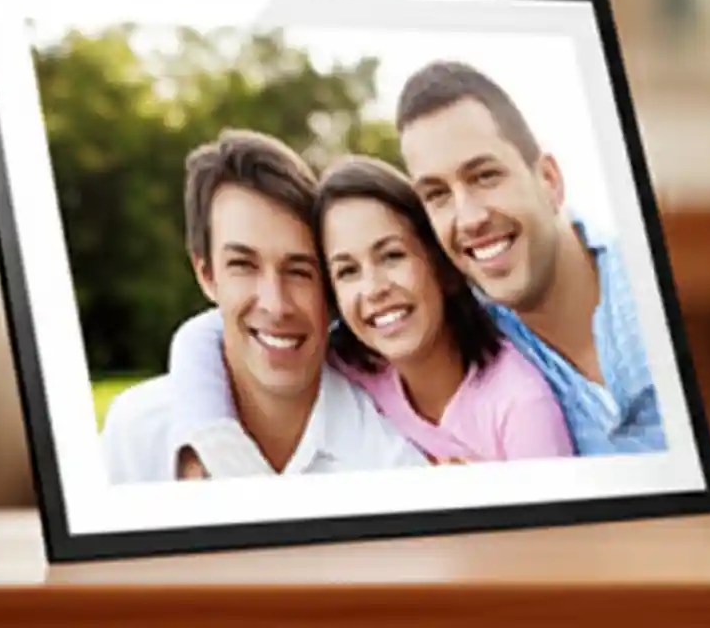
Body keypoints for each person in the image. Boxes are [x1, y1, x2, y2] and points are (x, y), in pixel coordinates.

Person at [168, 156, 574, 465]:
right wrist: (203, 448)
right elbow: (216, 332)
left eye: (392, 256)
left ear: (443, 266)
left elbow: (562, 544)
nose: (374, 289)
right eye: (347, 271)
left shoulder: (520, 406)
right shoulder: (355, 361)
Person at [99, 129, 427, 483]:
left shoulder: (393, 452)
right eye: (243, 265)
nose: (276, 305)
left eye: (299, 271)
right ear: (207, 275)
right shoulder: (135, 434)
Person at [394, 61, 666, 454]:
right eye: (437, 194)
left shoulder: (654, 285)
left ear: (549, 180)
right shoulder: (471, 346)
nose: (469, 218)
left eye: (485, 176)